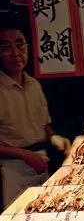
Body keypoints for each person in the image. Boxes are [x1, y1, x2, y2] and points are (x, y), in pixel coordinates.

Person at [0, 25, 71, 209]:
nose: (15, 53)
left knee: (43, 213)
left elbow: (44, 123)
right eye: (6, 47)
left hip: (41, 161)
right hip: (12, 169)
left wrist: (55, 137)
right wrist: (25, 155)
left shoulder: (34, 84)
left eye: (20, 45)